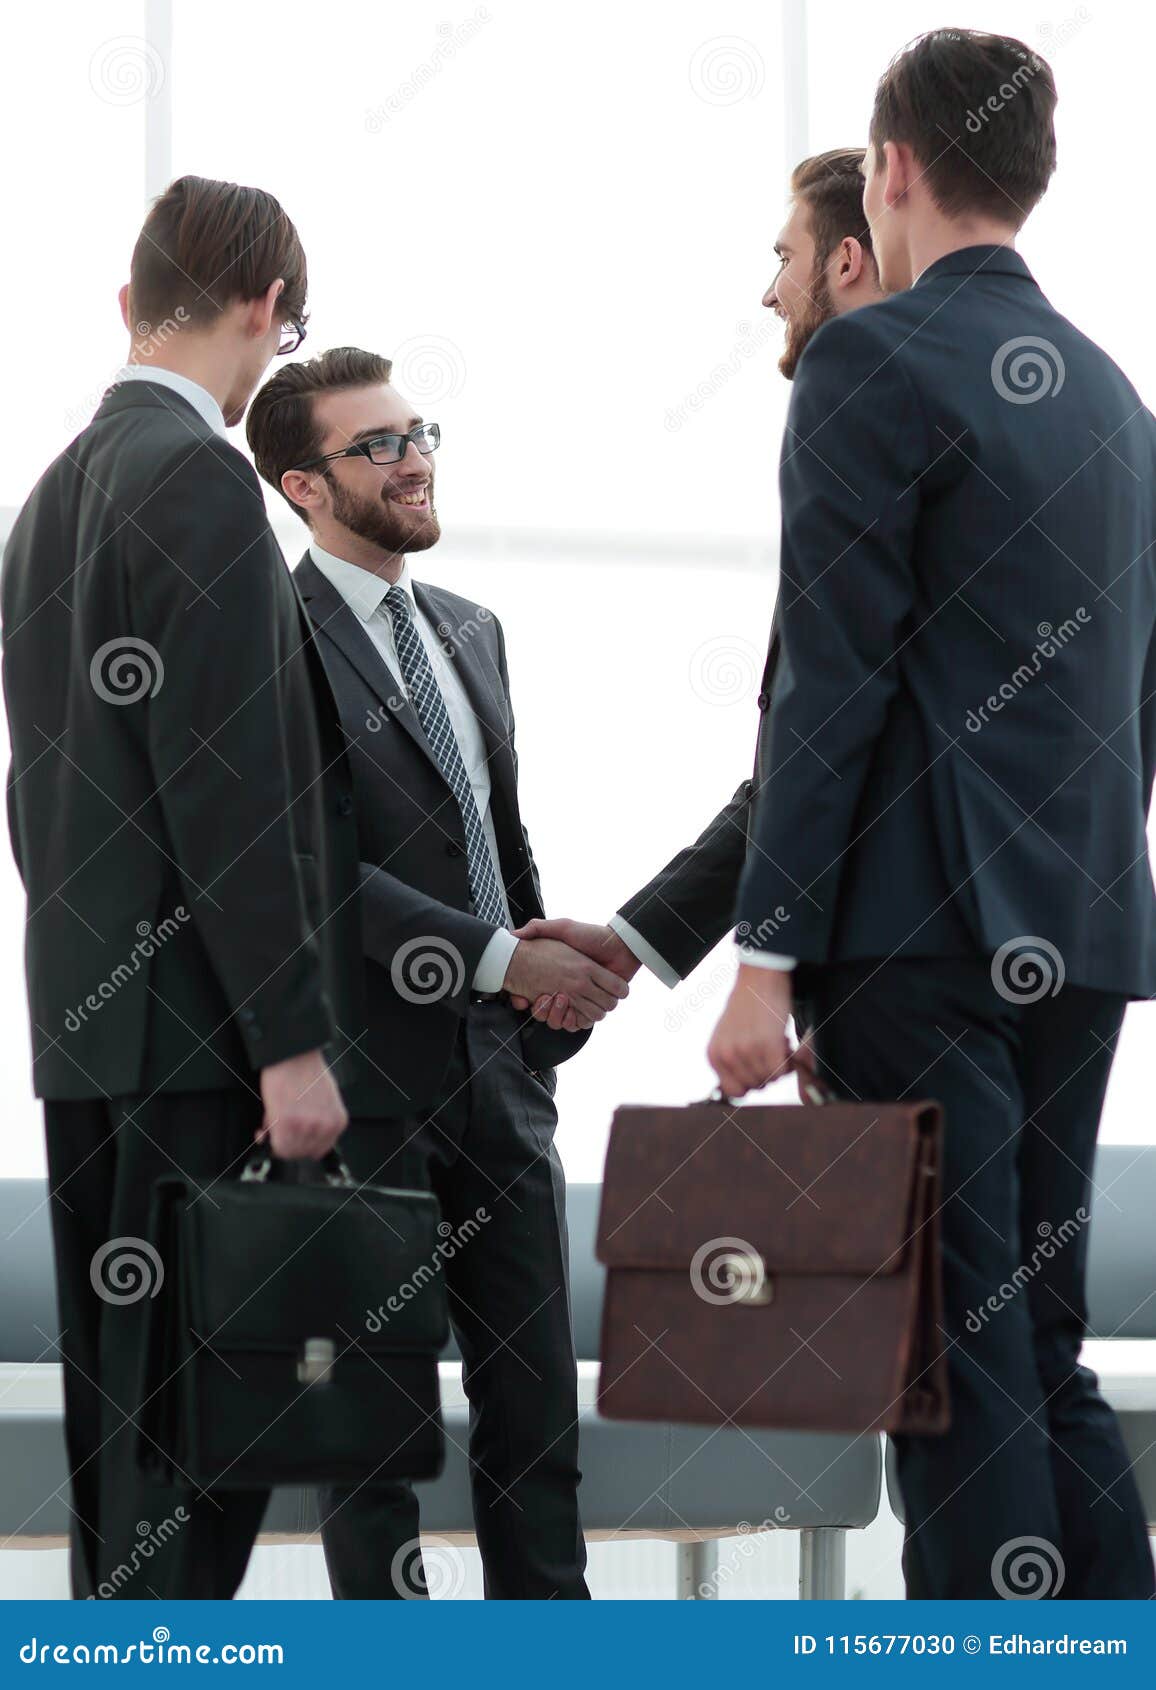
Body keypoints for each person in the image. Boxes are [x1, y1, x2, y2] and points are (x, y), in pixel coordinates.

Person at [709, 30, 1156, 1598]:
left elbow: (830, 683)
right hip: (1082, 934)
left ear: (891, 170)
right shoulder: (1114, 400)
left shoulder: (871, 361)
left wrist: (766, 959)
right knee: (1035, 1332)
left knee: (952, 1352)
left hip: (920, 932)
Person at [1, 176, 364, 1599]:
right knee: (206, 1444)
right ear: (268, 308)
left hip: (87, 1034)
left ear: (129, 303)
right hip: (197, 1042)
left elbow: (47, 795)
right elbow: (230, 793)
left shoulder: (48, 500)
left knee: (124, 1440)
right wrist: (288, 1039)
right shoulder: (202, 479)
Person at [246, 348, 616, 1598]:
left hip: (501, 1073)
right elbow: (310, 865)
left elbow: (493, 837)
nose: (413, 462)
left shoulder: (469, 627)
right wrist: (507, 957)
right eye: (378, 446)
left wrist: (543, 995)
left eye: (418, 435)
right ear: (302, 485)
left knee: (537, 1418)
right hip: (360, 1086)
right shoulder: (268, 635)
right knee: (372, 1437)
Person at [510, 149, 880, 1024]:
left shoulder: (864, 419)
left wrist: (763, 976)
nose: (769, 295)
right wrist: (636, 936)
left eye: (783, 257)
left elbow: (834, 734)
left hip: (902, 967)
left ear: (846, 260)